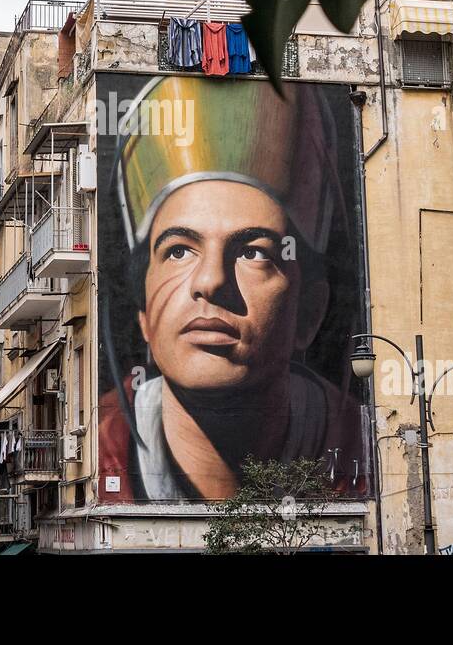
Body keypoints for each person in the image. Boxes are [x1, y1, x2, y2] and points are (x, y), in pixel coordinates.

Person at [98, 76, 368, 501]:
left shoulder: (364, 449)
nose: (210, 282)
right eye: (179, 251)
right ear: (144, 313)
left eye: (253, 252)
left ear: (311, 311)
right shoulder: (101, 446)